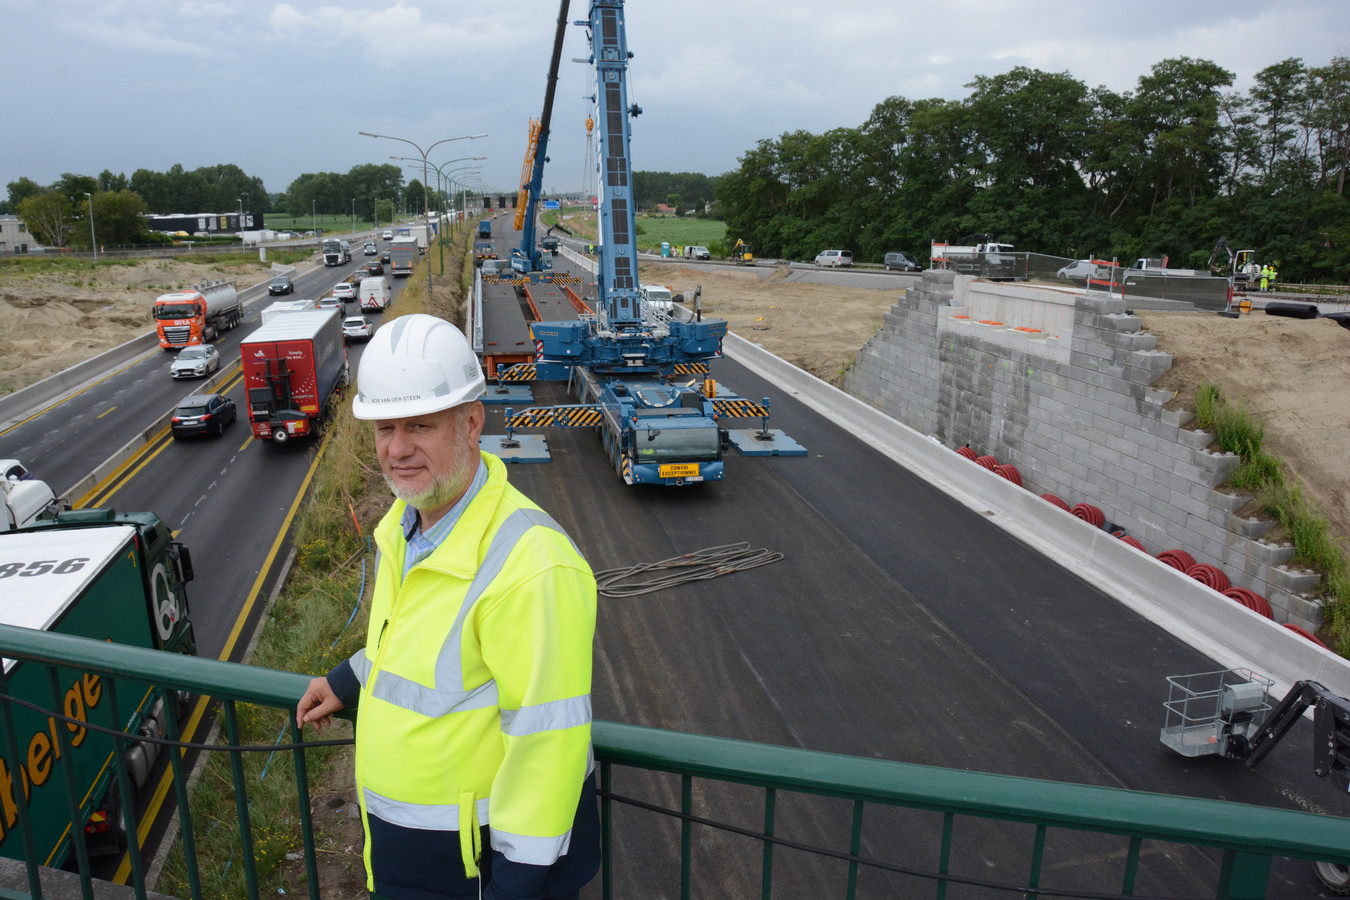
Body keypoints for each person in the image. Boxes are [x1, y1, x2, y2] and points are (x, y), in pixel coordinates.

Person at [296, 314, 600, 900]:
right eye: (385, 428)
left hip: (479, 875)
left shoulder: (531, 565)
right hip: (409, 858)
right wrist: (350, 680)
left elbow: (548, 745)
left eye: (420, 426)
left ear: (471, 422)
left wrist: (514, 891)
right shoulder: (406, 529)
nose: (398, 449)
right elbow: (418, 649)